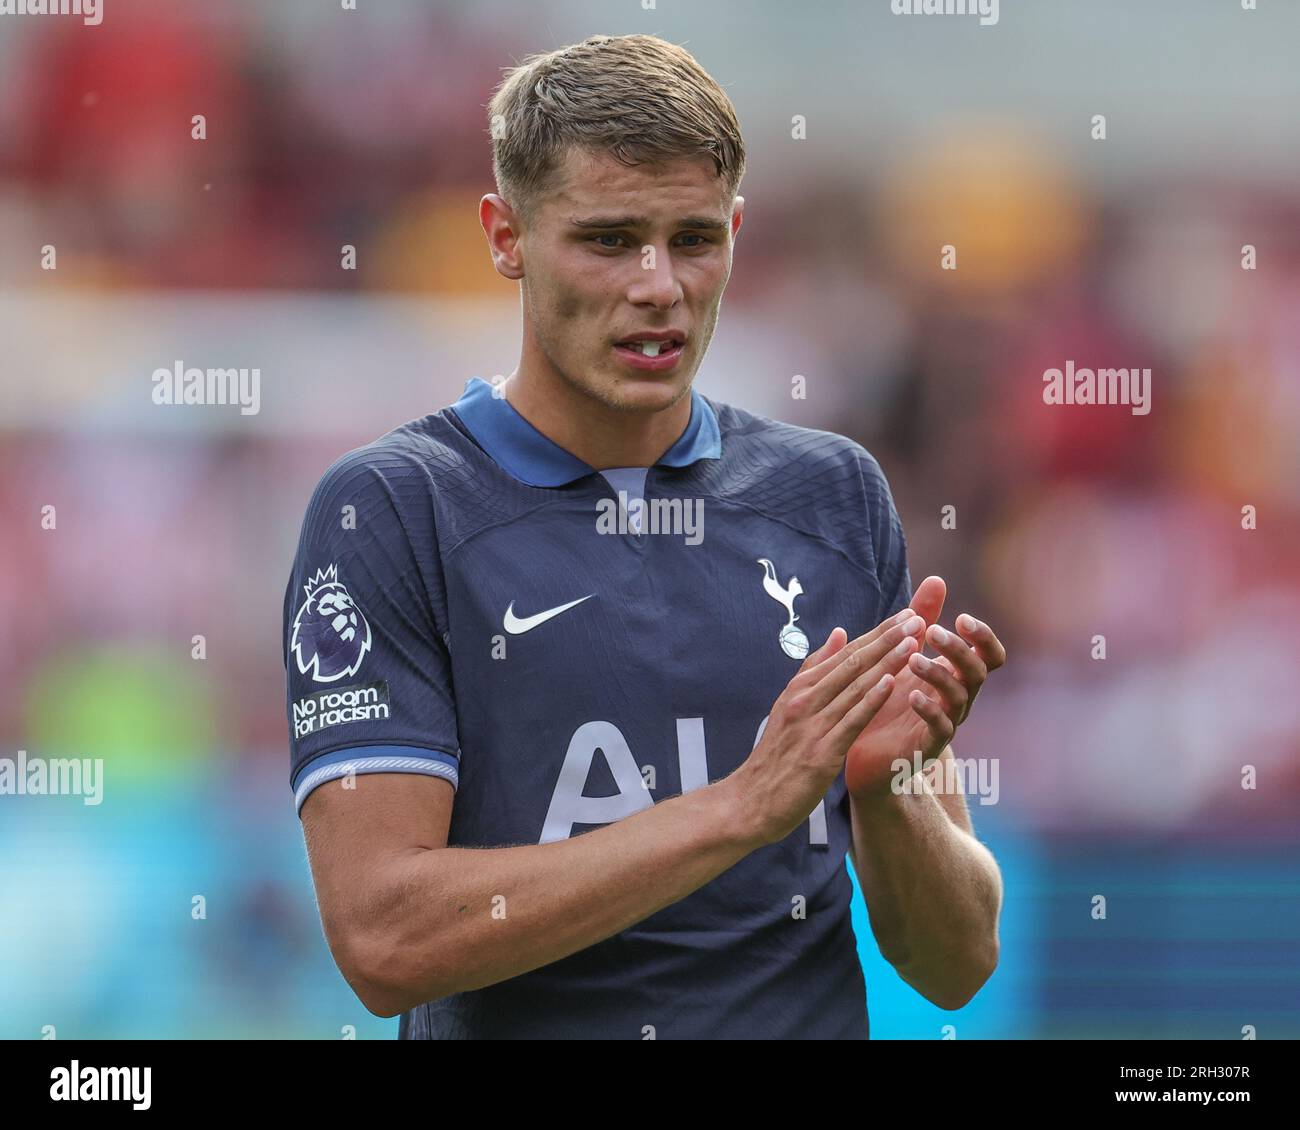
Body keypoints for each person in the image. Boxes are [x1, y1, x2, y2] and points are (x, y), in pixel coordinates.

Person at [283, 33, 1006, 1039]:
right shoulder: (395, 511)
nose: (659, 283)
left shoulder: (833, 497)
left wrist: (888, 794)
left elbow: (957, 961)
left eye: (694, 239)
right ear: (505, 235)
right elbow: (383, 940)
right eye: (610, 238)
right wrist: (741, 805)